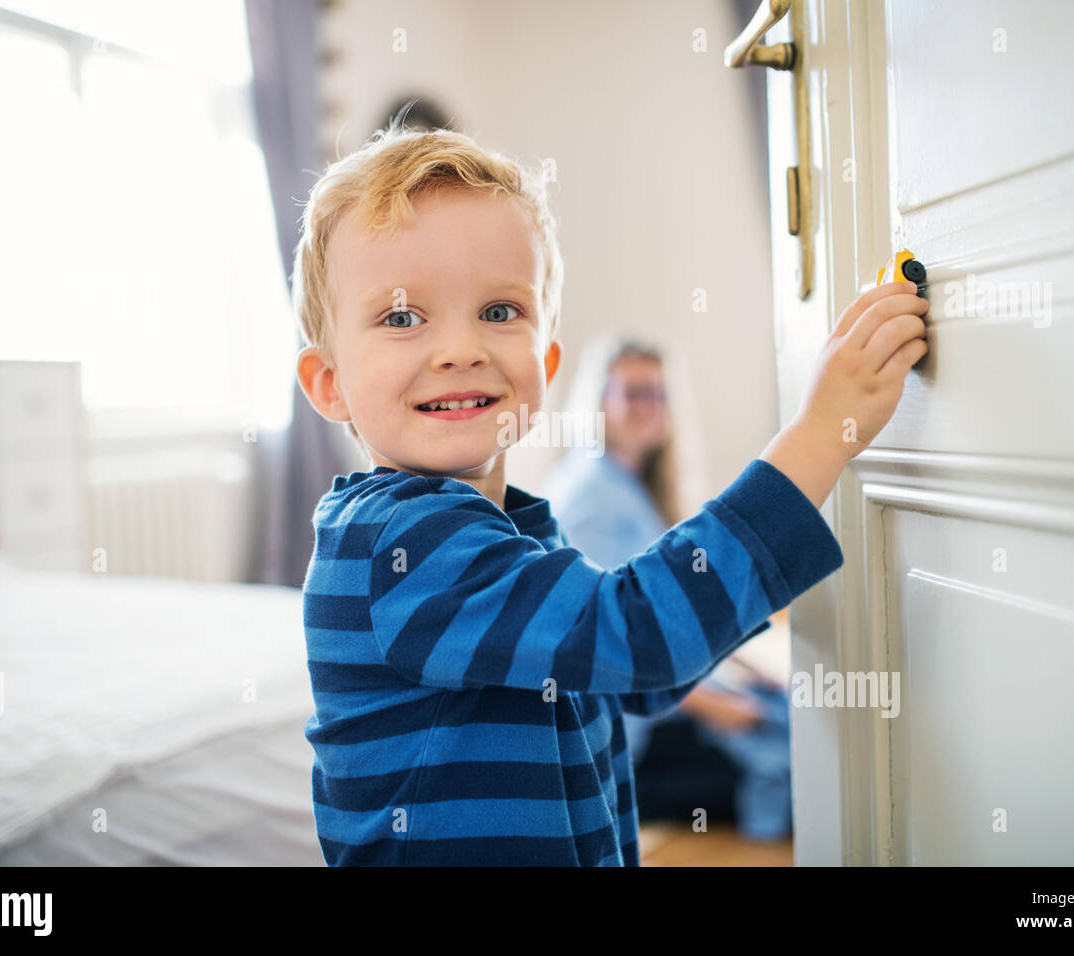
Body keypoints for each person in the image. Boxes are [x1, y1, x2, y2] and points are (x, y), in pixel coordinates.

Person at [292, 118, 929, 865]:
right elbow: (634, 636)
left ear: (546, 360)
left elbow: (621, 677)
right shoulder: (397, 542)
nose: (460, 349)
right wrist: (821, 434)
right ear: (329, 384)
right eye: (402, 317)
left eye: (500, 313)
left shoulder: (516, 530)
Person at [539, 334, 798, 840]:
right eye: (631, 393)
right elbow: (614, 641)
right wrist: (720, 706)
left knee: (788, 721)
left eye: (657, 394)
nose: (647, 407)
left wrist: (748, 669)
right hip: (629, 737)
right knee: (791, 760)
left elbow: (676, 611)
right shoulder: (592, 497)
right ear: (599, 402)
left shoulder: (625, 485)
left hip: (656, 710)